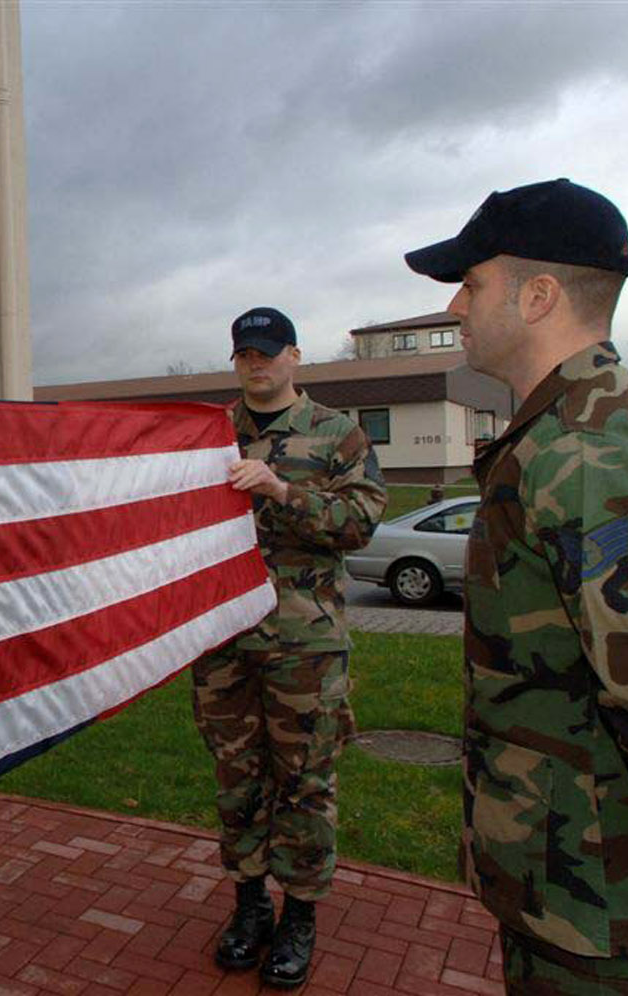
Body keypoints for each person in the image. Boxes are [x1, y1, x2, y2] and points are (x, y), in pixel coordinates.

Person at [405, 178, 628, 994]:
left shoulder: (586, 449)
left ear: (540, 295)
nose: (455, 305)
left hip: (606, 892)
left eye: (472, 282)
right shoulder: (581, 426)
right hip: (583, 880)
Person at [193, 306, 387, 986]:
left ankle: (300, 915)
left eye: (269, 351)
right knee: (237, 779)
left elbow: (360, 522)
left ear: (296, 356)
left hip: (304, 643)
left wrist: (280, 489)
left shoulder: (337, 433)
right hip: (224, 641)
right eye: (245, 352)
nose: (257, 363)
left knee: (305, 782)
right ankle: (250, 906)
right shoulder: (207, 434)